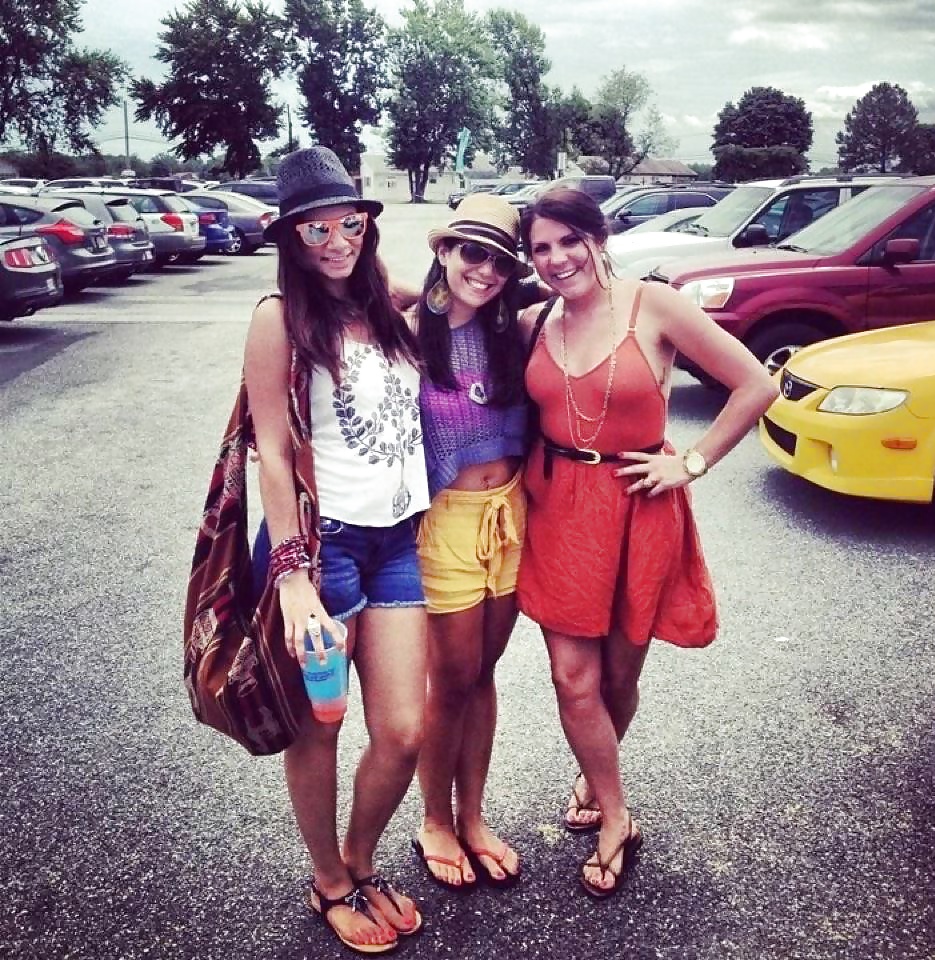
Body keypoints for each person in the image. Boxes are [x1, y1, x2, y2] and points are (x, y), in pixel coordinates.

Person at [516, 186, 779, 899]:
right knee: (572, 678)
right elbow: (446, 316)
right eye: (540, 248)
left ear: (597, 238)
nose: (557, 259)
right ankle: (617, 816)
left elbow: (756, 384)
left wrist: (690, 462)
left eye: (569, 241)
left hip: (639, 505)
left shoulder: (653, 305)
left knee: (618, 677)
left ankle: (594, 774)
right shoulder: (533, 320)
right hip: (558, 509)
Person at [245, 145, 429, 954]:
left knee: (404, 730)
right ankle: (329, 881)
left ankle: (360, 859)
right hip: (326, 552)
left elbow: (455, 292)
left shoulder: (384, 302)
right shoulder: (278, 317)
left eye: (348, 223)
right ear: (290, 237)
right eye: (314, 229)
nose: (334, 241)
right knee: (320, 727)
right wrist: (291, 577)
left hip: (398, 542)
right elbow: (273, 452)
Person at [410, 195, 532, 889]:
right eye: (471, 253)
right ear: (444, 252)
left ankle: (473, 816)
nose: (484, 270)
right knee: (451, 677)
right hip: (446, 521)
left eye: (499, 261)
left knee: (484, 672)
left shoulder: (515, 329)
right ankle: (434, 819)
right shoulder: (405, 332)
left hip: (511, 516)